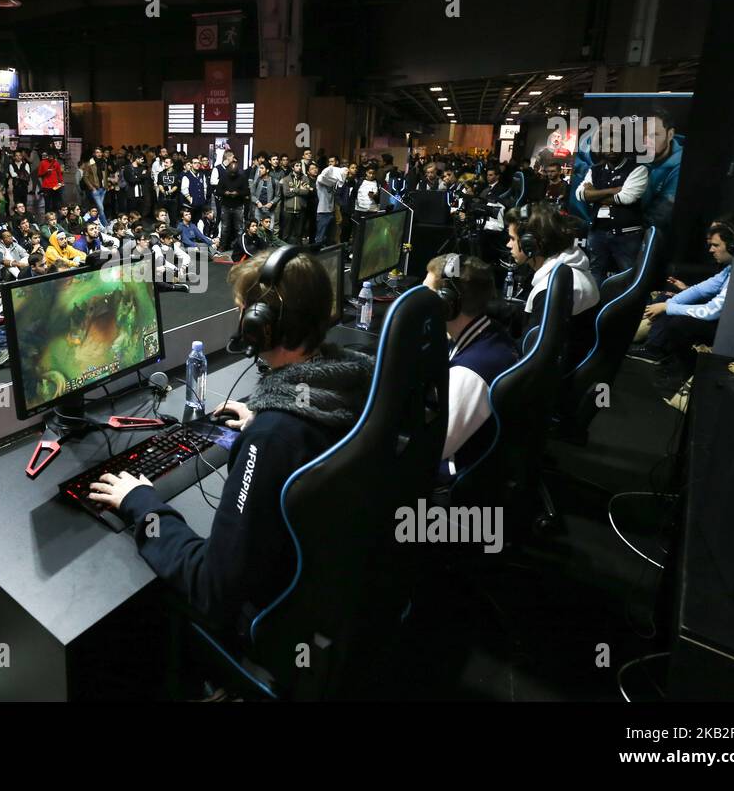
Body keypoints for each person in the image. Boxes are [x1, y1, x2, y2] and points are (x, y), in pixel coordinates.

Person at [87, 248, 374, 641]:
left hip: (276, 623)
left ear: (262, 327)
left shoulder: (274, 435)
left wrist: (142, 501)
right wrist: (264, 414)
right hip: (338, 589)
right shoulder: (351, 380)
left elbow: (211, 586)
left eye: (243, 310)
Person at [421, 255, 520, 490]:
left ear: (448, 305)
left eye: (425, 294)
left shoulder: (470, 373)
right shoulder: (490, 330)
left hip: (453, 473)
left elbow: (434, 448)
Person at [633, 217, 734, 379]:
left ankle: (686, 371)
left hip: (728, 328)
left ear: (732, 246)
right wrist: (667, 303)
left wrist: (667, 307)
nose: (710, 249)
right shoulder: (728, 270)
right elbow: (699, 290)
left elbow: (711, 311)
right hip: (716, 317)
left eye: (716, 245)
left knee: (680, 322)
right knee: (668, 298)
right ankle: (652, 346)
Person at [506, 204, 600, 361]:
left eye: (512, 239)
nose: (508, 245)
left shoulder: (550, 289)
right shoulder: (572, 266)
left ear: (530, 245)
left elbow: (532, 354)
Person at [575, 136, 649, 285]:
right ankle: (595, 307)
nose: (611, 150)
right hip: (597, 232)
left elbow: (626, 197)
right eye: (607, 146)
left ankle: (627, 308)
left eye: (615, 145)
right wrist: (614, 190)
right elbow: (580, 194)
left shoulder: (638, 169)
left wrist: (594, 195)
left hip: (627, 234)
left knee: (629, 275)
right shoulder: (595, 170)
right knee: (594, 273)